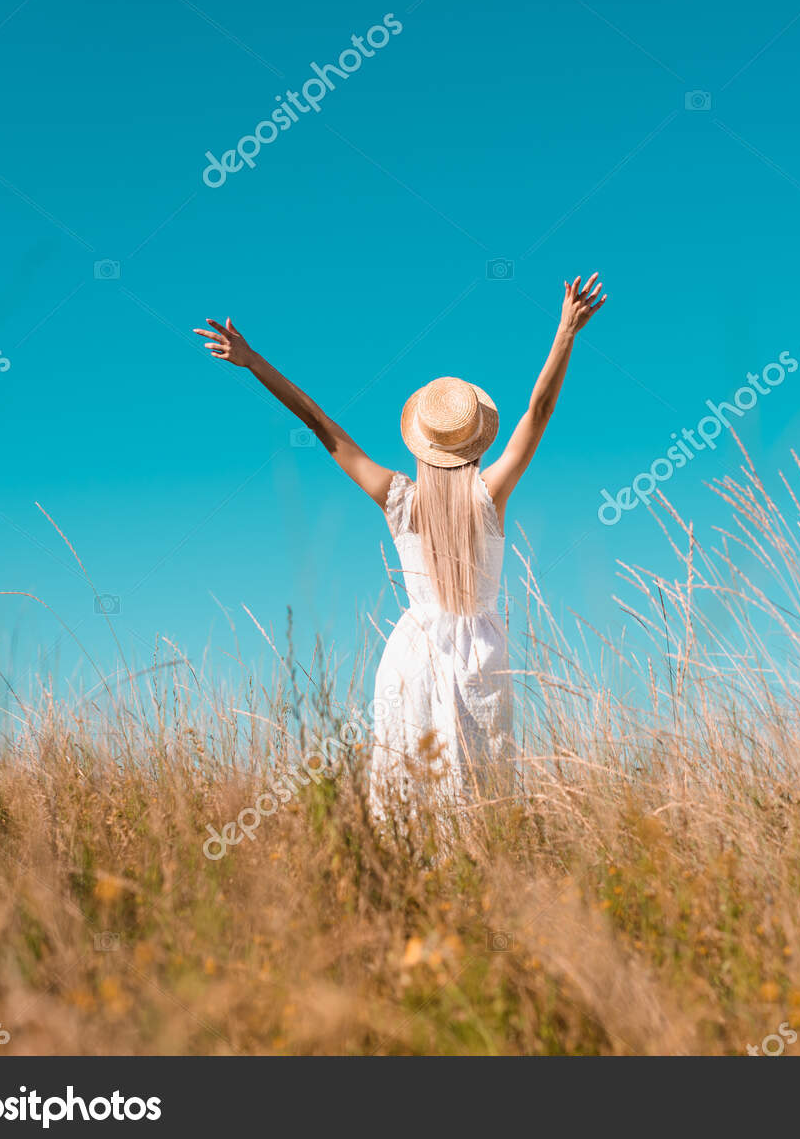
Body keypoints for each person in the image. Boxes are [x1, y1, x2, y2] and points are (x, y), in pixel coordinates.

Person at [195, 274, 606, 825]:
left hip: (412, 652)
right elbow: (539, 413)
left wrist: (254, 361)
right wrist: (564, 332)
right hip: (481, 656)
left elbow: (321, 425)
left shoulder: (398, 500)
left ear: (422, 445)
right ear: (476, 445)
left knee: (408, 797)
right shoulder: (489, 496)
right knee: (482, 794)